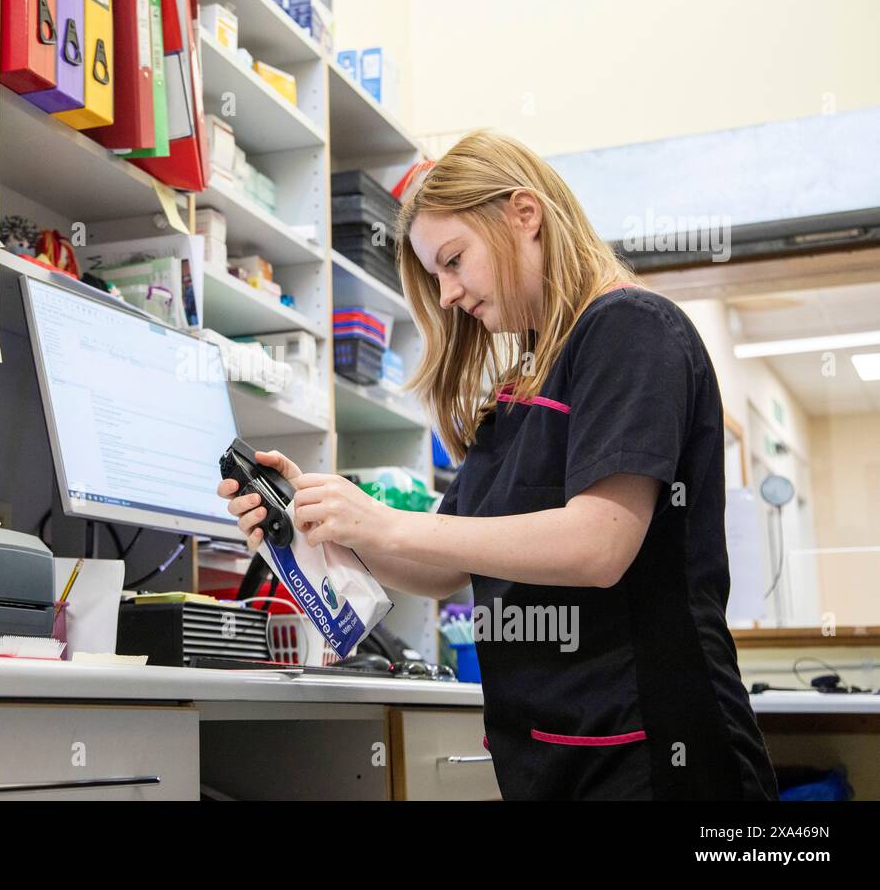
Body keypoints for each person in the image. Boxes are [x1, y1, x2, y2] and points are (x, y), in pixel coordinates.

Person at [216, 130, 779, 800]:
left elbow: (599, 544)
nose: (448, 294)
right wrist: (326, 522)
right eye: (436, 276)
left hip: (652, 751)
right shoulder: (520, 388)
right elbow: (444, 567)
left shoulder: (630, 328)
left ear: (523, 214)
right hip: (548, 756)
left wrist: (383, 525)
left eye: (454, 261)